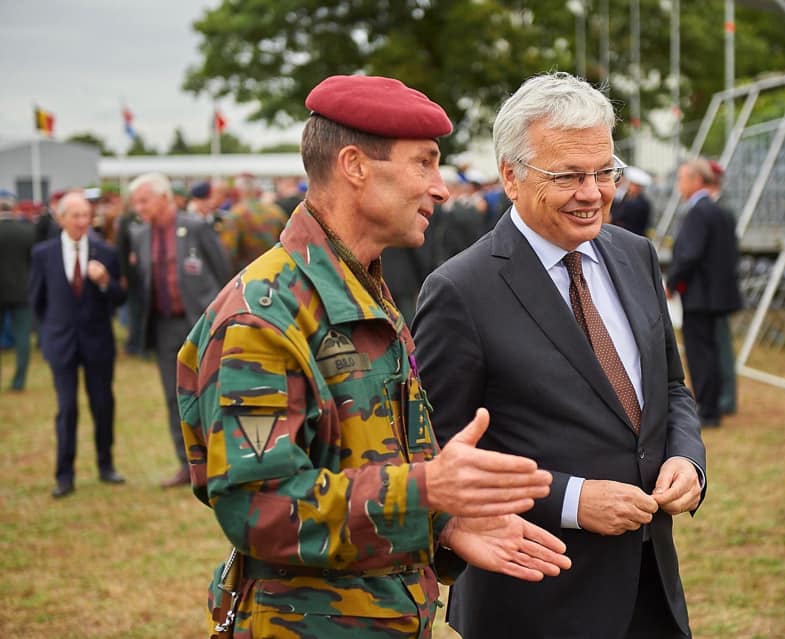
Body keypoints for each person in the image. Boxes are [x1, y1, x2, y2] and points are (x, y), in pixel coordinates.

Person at [176, 74, 571, 639]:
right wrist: (428, 489)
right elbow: (258, 508)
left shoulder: (361, 291)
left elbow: (370, 464)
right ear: (356, 166)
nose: (439, 188)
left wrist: (445, 520)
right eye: (423, 163)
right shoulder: (264, 318)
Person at [413, 72, 706, 639]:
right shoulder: (460, 290)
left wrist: (687, 459)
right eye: (569, 175)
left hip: (651, 588)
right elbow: (442, 454)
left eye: (604, 172)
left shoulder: (635, 255)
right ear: (510, 176)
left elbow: (671, 387)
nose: (593, 192)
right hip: (534, 599)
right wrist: (572, 500)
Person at [128, 173, 232, 488]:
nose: (138, 207)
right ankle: (187, 465)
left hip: (200, 325)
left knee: (214, 391)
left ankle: (225, 462)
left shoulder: (197, 227)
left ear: (163, 198)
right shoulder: (140, 235)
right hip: (163, 326)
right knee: (176, 397)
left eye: (144, 200)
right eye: (136, 202)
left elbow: (222, 271)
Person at [28, 191, 127, 497]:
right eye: (76, 216)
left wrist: (103, 282)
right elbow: (37, 300)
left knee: (102, 405)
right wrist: (50, 334)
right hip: (61, 343)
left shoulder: (105, 252)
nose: (83, 222)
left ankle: (105, 465)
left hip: (97, 342)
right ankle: (65, 474)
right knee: (67, 408)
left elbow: (120, 298)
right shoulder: (43, 254)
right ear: (61, 219)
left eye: (86, 215)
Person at [666, 158, 743, 428]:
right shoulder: (720, 211)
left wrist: (671, 283)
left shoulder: (698, 211)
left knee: (701, 354)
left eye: (682, 179)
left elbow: (690, 254)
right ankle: (713, 405)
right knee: (711, 351)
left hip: (700, 296)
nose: (679, 185)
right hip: (716, 294)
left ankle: (708, 410)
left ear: (697, 180)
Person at [706, 159, 738, 416]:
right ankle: (722, 395)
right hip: (713, 292)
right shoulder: (719, 208)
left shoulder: (722, 209)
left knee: (722, 346)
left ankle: (727, 398)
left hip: (717, 293)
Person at [0, 190, 35, 391]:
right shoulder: (27, 232)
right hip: (22, 291)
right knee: (23, 337)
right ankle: (19, 381)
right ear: (13, 209)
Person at [218, 173, 287, 273]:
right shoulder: (275, 212)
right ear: (257, 190)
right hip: (275, 273)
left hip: (246, 276)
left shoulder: (235, 215)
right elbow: (287, 242)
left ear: (238, 191)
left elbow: (228, 253)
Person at [611, 165, 653, 237]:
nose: (629, 187)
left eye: (632, 184)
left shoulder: (640, 203)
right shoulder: (628, 197)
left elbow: (617, 216)